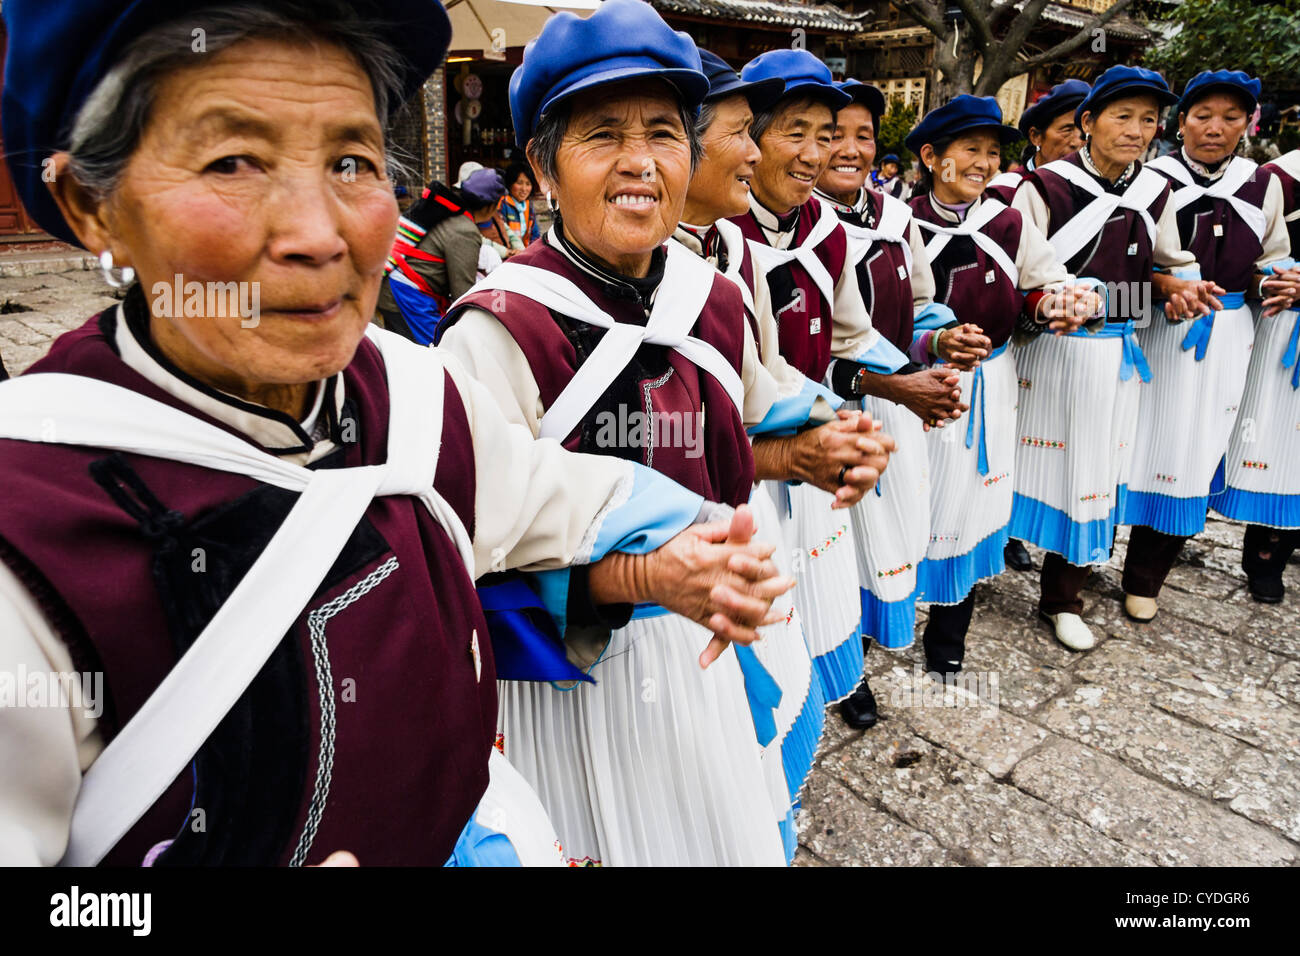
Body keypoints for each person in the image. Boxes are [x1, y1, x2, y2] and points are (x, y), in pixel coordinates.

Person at [0, 0, 790, 867]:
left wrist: (672, 557)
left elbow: (555, 494)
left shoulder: (411, 397)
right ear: (91, 205)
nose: (316, 233)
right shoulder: (28, 544)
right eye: (232, 162)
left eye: (350, 159)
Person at [436, 1, 890, 866]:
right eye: (602, 134)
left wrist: (818, 450)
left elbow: (747, 432)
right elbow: (475, 554)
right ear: (539, 168)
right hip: (577, 688)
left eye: (663, 132)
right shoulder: (497, 332)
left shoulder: (714, 297)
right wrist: (643, 575)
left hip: (708, 643)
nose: (640, 162)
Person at [1009, 65, 1219, 649]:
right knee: (1018, 464)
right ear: (1087, 122)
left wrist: (1179, 290)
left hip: (1114, 354)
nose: (1136, 129)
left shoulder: (1156, 190)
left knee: (1091, 474)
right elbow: (1021, 276)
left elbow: (1167, 264)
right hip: (1048, 350)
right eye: (1122, 116)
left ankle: (1062, 598)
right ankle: (964, 587)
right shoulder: (1043, 186)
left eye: (1148, 119)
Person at [729, 48, 909, 706]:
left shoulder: (826, 231)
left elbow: (850, 333)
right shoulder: (714, 235)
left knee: (819, 568)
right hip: (745, 456)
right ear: (748, 135)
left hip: (812, 442)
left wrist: (915, 373)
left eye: (825, 134)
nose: (814, 154)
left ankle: (831, 672)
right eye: (794, 132)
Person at [906, 95, 1102, 675]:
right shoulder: (900, 222)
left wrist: (1057, 305)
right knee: (914, 495)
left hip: (994, 382)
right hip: (924, 385)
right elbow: (900, 309)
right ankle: (883, 624)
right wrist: (933, 342)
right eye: (970, 149)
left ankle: (948, 637)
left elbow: (1040, 284)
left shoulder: (1008, 221)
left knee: (973, 498)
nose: (984, 162)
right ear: (931, 155)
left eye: (993, 152)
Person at [813, 78, 968, 726]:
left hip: (897, 397)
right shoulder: (800, 227)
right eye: (831, 135)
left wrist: (945, 335)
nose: (850, 149)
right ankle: (843, 672)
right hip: (830, 409)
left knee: (887, 538)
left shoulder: (897, 218)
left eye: (863, 136)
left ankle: (865, 655)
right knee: (835, 547)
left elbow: (923, 306)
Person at [1123, 71, 1295, 615]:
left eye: (1230, 118)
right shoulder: (1151, 178)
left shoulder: (1259, 183)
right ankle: (1079, 565)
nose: (1215, 129)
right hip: (1158, 329)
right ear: (1181, 122)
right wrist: (1161, 287)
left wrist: (1274, 283)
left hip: (1226, 335)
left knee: (1191, 450)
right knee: (1131, 440)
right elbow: (1125, 262)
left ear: (1248, 124)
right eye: (1202, 115)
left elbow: (1269, 259)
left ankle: (1144, 578)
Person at [987, 79, 1088, 573]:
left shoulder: (1128, 189)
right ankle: (1003, 527)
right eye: (1067, 129)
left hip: (1077, 333)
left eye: (1082, 130)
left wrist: (1094, 304)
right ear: (1036, 136)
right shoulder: (1005, 193)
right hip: (1021, 338)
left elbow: (1131, 289)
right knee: (1012, 437)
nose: (1076, 141)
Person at [1212, 144, 1299, 601]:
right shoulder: (1280, 179)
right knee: (1266, 436)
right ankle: (1264, 551)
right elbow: (1247, 260)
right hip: (1281, 321)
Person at [376, 167, 507, 344]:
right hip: (406, 293)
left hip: (392, 284)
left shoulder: (448, 212)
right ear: (493, 205)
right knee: (439, 350)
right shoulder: (465, 230)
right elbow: (463, 293)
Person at [499, 162, 540, 249]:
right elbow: (501, 234)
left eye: (528, 184)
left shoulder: (528, 206)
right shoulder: (502, 204)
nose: (524, 189)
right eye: (519, 183)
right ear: (510, 183)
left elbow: (535, 235)